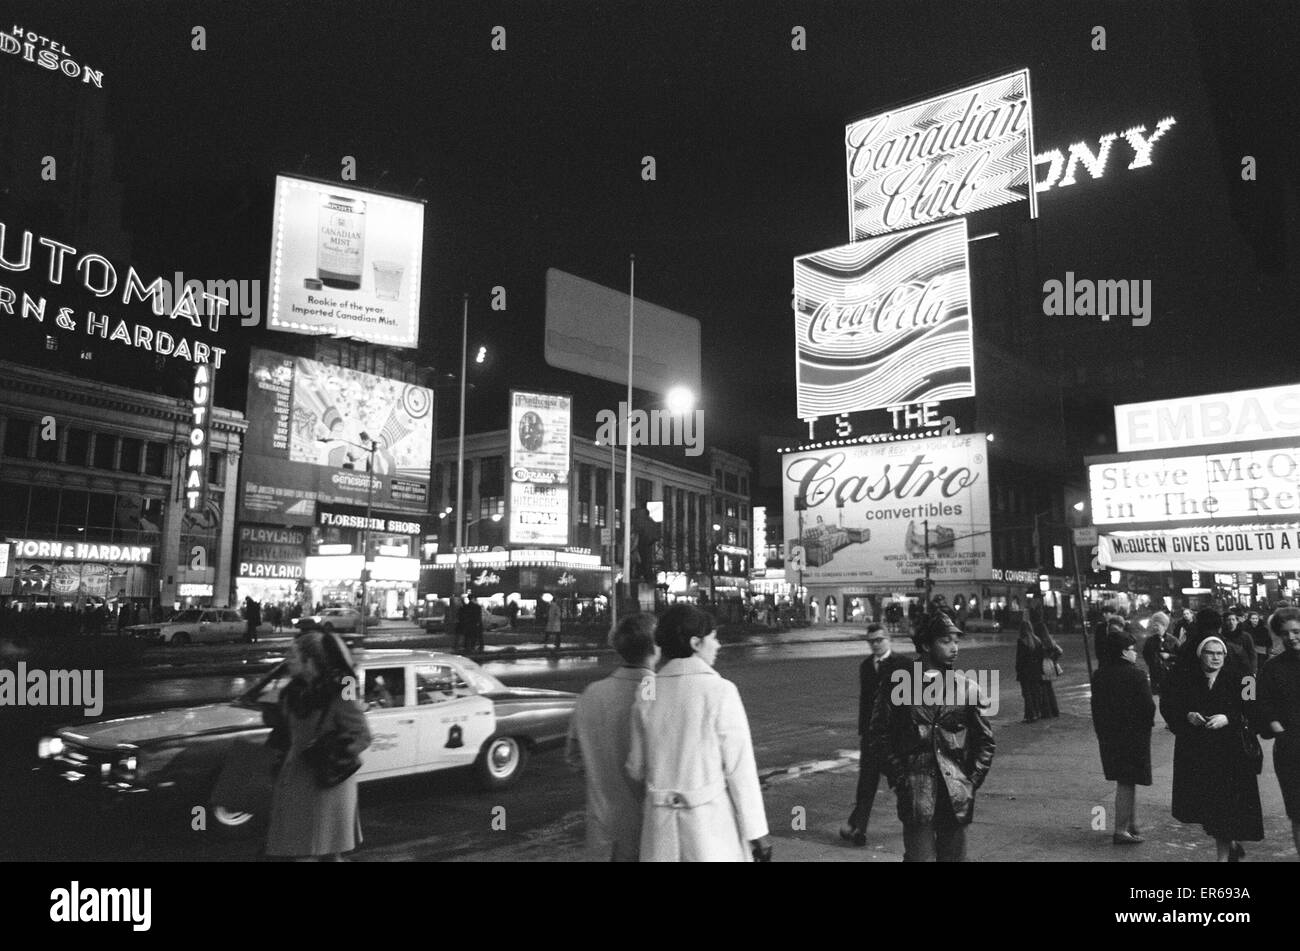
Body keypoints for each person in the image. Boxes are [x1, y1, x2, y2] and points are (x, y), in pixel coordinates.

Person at [627, 604, 771, 862]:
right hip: (710, 829)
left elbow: (635, 768)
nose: (718, 646)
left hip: (660, 831)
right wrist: (757, 832)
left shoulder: (647, 691)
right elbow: (740, 769)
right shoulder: (720, 690)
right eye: (714, 639)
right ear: (696, 643)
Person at [869, 611, 996, 862]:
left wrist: (971, 780)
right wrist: (900, 777)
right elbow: (878, 736)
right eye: (946, 641)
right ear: (926, 645)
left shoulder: (967, 687)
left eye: (956, 642)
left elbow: (985, 741)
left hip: (955, 793)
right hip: (916, 791)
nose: (954, 648)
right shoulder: (897, 684)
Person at [263, 631, 372, 861]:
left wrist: (333, 750)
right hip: (295, 778)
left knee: (308, 851)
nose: (287, 660)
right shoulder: (293, 691)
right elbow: (288, 732)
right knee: (319, 852)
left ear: (309, 661)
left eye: (293, 655)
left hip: (326, 781)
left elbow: (362, 735)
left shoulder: (341, 689)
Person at [1161, 635, 1264, 862]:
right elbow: (1169, 706)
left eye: (1220, 653)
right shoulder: (1186, 678)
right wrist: (1187, 716)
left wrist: (1229, 718)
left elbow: (1255, 710)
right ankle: (1230, 845)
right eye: (1210, 652)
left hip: (1232, 753)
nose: (1216, 657)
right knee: (1211, 809)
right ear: (1200, 655)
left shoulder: (1245, 678)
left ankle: (1223, 857)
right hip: (1199, 754)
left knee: (1225, 807)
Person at [566, 614, 659, 861]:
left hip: (602, 829)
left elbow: (574, 757)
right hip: (648, 832)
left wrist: (602, 776)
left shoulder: (591, 693)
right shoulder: (656, 692)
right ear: (655, 647)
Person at [840, 623, 909, 845]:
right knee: (866, 783)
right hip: (871, 737)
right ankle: (858, 828)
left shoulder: (903, 665)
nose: (876, 644)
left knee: (901, 783)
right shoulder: (866, 666)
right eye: (872, 641)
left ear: (889, 639)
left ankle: (921, 821)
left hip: (895, 738)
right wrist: (864, 731)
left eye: (880, 639)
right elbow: (865, 702)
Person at [1090, 629, 1156, 844]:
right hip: (1133, 735)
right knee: (1128, 781)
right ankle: (1121, 829)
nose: (1134, 653)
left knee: (1125, 780)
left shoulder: (1099, 675)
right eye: (1130, 649)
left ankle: (1131, 823)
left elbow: (1096, 708)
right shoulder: (1136, 675)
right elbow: (1148, 706)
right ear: (1121, 652)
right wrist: (1146, 726)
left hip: (1110, 736)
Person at [1257, 607, 1300, 856]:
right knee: (1298, 812)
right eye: (1285, 633)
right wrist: (1279, 730)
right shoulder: (1272, 668)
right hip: (1291, 750)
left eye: (1296, 631)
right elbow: (1259, 703)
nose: (1291, 637)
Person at [1015, 620, 1044, 723]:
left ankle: (1029, 715)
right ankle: (1037, 712)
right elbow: (1041, 657)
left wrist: (1018, 670)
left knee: (1026, 694)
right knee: (1035, 692)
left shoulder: (1021, 641)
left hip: (1025, 671)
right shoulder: (1038, 641)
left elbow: (1020, 659)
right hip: (1035, 671)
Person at [1141, 611, 1177, 695]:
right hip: (1155, 675)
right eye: (1154, 625)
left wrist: (1169, 656)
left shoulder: (1173, 640)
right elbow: (1145, 654)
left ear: (1164, 626)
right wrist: (1152, 663)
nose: (1155, 627)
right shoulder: (1150, 640)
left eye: (1157, 625)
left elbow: (1181, 656)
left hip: (1170, 676)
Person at [1034, 617, 1063, 718]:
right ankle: (1054, 710)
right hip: (1050, 666)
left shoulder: (1038, 641)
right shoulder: (1049, 640)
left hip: (1042, 667)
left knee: (1044, 689)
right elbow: (1059, 651)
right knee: (1049, 688)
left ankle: (1047, 712)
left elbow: (1037, 654)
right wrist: (1053, 659)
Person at [1221, 608, 1257, 678]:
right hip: (1228, 671)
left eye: (1233, 620)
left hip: (1244, 669)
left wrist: (1253, 670)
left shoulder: (1245, 636)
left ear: (1237, 621)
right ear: (1225, 622)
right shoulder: (1222, 636)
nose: (1231, 622)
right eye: (1228, 620)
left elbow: (1252, 653)